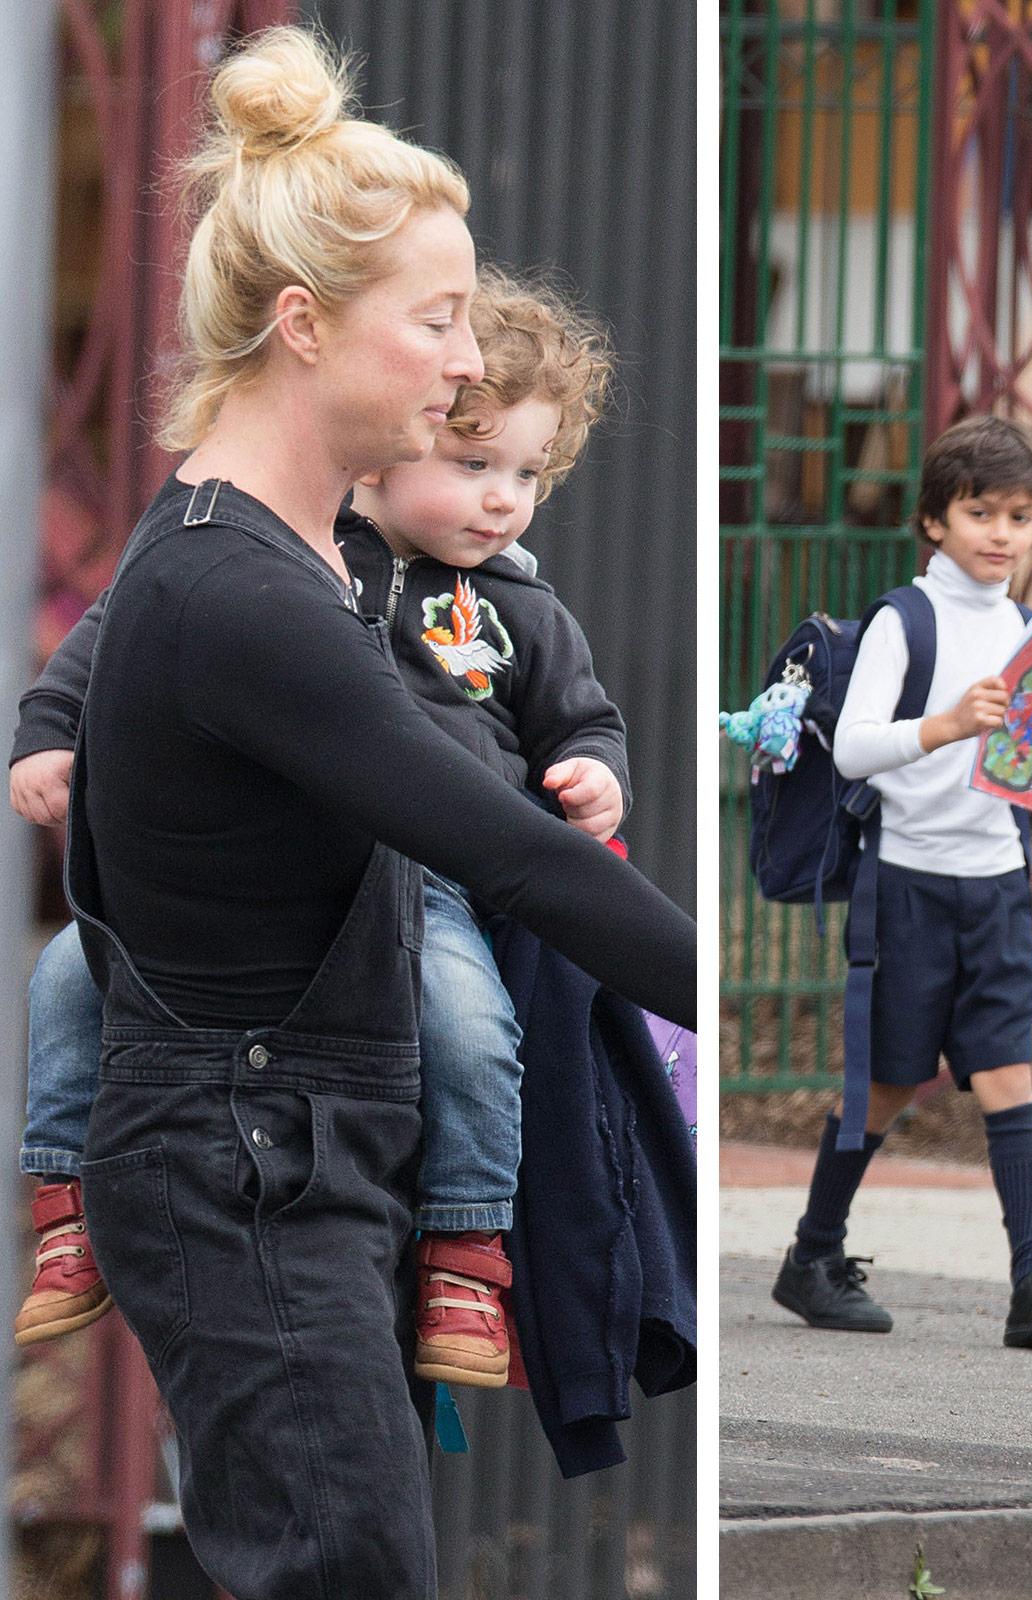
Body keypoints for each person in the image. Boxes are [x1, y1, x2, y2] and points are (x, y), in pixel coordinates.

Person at [8, 28, 693, 1597]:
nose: (465, 362)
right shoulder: (242, 593)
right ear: (306, 325)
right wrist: (713, 1001)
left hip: (300, 1155)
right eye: (436, 319)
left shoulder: (299, 563)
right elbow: (508, 849)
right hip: (250, 1169)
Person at [11, 267, 630, 1395]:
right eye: (474, 464)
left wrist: (596, 777)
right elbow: (114, 632)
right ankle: (66, 1197)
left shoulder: (524, 610)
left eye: (529, 474)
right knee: (65, 973)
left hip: (429, 883)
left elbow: (583, 721)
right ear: (389, 447)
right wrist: (49, 732)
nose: (504, 500)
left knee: (470, 1026)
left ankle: (466, 1249)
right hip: (283, 872)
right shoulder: (292, 558)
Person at [768, 415, 1032, 1348]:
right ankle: (812, 1254)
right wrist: (946, 725)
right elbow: (856, 747)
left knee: (1006, 1071)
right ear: (934, 521)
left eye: (1021, 516)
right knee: (886, 1084)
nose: (1001, 533)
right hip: (905, 884)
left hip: (996, 884)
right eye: (980, 512)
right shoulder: (902, 621)